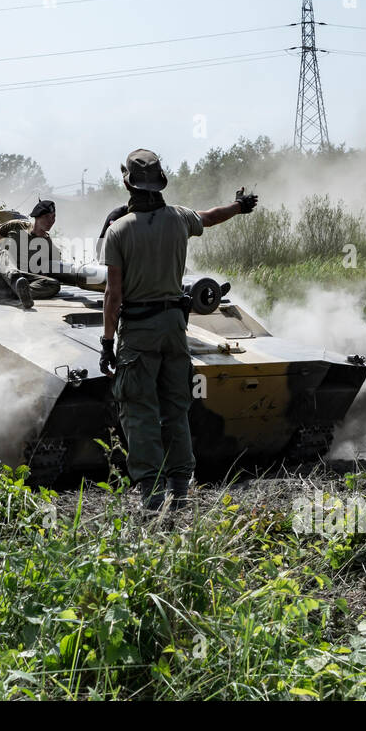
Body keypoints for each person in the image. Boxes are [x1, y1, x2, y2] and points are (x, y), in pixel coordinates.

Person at [99, 149, 258, 511]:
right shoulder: (179, 219)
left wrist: (107, 341)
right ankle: (181, 488)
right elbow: (210, 216)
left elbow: (114, 293)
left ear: (128, 183)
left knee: (139, 410)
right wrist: (238, 206)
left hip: (138, 329)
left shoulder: (118, 230)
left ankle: (152, 496)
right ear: (160, 182)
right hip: (175, 326)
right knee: (176, 407)